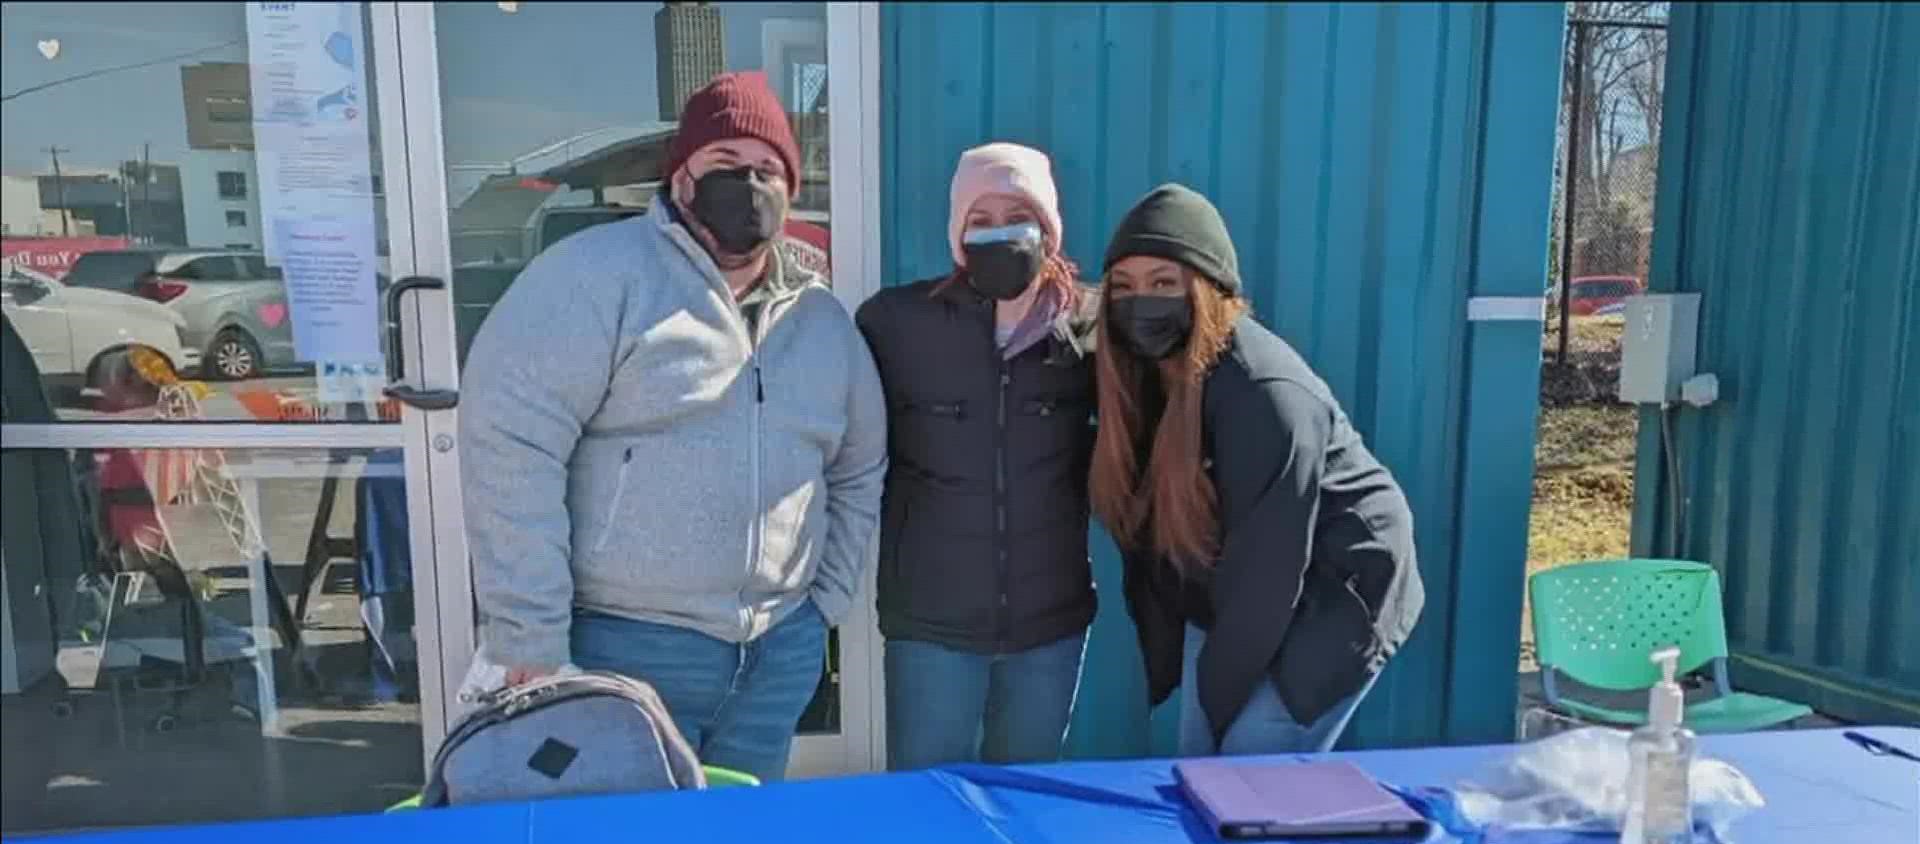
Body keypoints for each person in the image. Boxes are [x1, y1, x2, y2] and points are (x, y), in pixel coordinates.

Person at [459, 72, 888, 782]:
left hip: (775, 656)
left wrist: (823, 603)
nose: (748, 184)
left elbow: (858, 466)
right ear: (680, 177)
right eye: (724, 165)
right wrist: (528, 633)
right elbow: (511, 448)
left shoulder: (821, 320)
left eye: (767, 170)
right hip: (628, 649)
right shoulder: (592, 279)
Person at [1090, 183, 1424, 756]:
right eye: (1124, 286)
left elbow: (1269, 576)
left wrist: (1219, 714)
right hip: (1230, 588)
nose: (1141, 302)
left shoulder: (1265, 394)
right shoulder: (1141, 370)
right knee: (1204, 767)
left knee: (1246, 769)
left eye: (1164, 282)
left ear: (1210, 291)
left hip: (1329, 589)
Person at [856, 143, 1098, 769]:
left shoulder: (1092, 328)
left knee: (1025, 803)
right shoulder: (897, 325)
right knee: (929, 810)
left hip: (1049, 626)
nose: (1000, 232)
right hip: (932, 626)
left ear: (1048, 226)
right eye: (980, 219)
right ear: (958, 235)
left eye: (1017, 213)